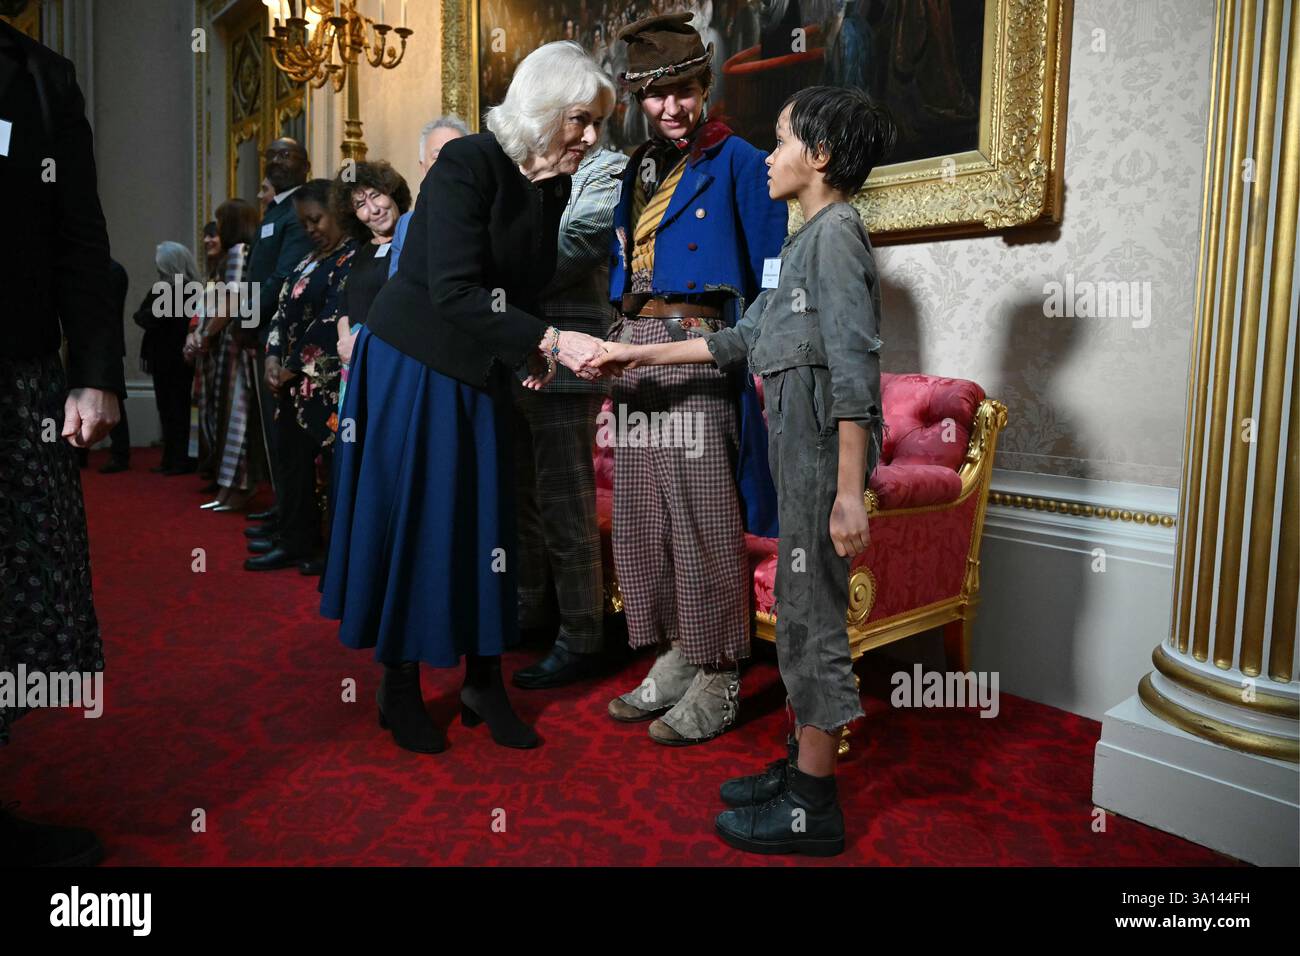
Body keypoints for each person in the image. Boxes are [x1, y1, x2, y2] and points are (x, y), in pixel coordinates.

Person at [593, 86, 896, 855]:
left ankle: (815, 805)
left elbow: (857, 372)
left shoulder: (839, 238)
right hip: (797, 463)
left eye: (784, 138)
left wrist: (849, 493)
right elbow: (733, 343)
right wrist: (634, 350)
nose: (767, 154)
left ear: (820, 158)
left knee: (815, 627)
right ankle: (799, 768)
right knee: (794, 619)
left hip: (825, 469)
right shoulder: (803, 240)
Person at [320, 41, 612, 755]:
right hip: (412, 365)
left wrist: (523, 356)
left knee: (488, 526)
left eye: (599, 122)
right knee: (417, 519)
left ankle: (484, 680)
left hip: (479, 370)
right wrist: (547, 343)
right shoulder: (467, 163)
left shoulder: (552, 184)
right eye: (581, 119)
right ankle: (398, 684)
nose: (593, 138)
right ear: (543, 110)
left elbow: (524, 287)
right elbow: (453, 290)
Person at [602, 13, 787, 746]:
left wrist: (742, 346)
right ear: (637, 99)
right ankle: (681, 647)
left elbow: (771, 273)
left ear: (704, 84)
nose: (672, 108)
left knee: (703, 517)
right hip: (636, 347)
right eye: (656, 95)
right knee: (647, 516)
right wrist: (618, 335)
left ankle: (720, 668)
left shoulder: (741, 160)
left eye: (683, 90)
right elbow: (623, 265)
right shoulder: (636, 168)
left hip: (698, 349)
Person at [0, 17, 122, 866]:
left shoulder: (38, 74)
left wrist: (96, 372)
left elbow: (81, 237)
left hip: (14, 377)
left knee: (12, 602)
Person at [511, 145, 629, 690]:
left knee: (565, 501)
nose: (578, 129)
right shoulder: (522, 162)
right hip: (515, 349)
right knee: (523, 498)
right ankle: (532, 613)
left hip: (569, 351)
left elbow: (572, 250)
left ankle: (584, 636)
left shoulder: (608, 167)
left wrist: (490, 272)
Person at [246, 179, 357, 573]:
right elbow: (279, 312)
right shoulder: (306, 260)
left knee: (330, 470)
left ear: (339, 214)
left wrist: (292, 364)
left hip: (324, 387)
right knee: (291, 464)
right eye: (304, 222)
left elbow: (330, 322)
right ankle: (295, 540)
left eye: (316, 220)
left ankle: (331, 553)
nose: (310, 229)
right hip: (291, 385)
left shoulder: (350, 260)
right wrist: (272, 357)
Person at [246, 138, 314, 535]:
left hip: (286, 334)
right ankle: (281, 509)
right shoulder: (273, 209)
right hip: (264, 332)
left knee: (288, 433)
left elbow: (283, 276)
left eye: (286, 155)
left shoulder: (297, 209)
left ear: (305, 164)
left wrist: (245, 317)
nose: (276, 160)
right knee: (273, 431)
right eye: (271, 154)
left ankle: (293, 521)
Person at [329, 160, 411, 411]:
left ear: (391, 191)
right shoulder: (360, 252)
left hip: (396, 359)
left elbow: (406, 303)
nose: (374, 209)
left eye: (376, 196)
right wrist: (345, 343)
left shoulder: (414, 237)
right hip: (355, 362)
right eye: (361, 205)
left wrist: (363, 340)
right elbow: (345, 303)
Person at [201, 198, 264, 512]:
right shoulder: (238, 253)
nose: (218, 228)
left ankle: (237, 487)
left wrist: (205, 334)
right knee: (227, 414)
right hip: (231, 341)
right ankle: (227, 487)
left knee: (236, 414)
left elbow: (233, 301)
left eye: (221, 221)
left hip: (235, 343)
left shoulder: (239, 252)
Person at [136, 242, 204, 476]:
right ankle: (179, 458)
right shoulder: (193, 288)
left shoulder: (165, 289)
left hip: (166, 357)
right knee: (180, 409)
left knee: (170, 409)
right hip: (182, 357)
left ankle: (175, 460)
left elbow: (144, 317)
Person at [387, 115, 469, 277]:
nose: (448, 165)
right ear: (423, 167)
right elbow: (396, 285)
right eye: (438, 157)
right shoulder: (405, 225)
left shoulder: (490, 215)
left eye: (457, 156)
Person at [95, 258, 132, 473]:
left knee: (114, 397)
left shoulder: (112, 270)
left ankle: (120, 453)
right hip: (103, 342)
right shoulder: (112, 269)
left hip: (107, 343)